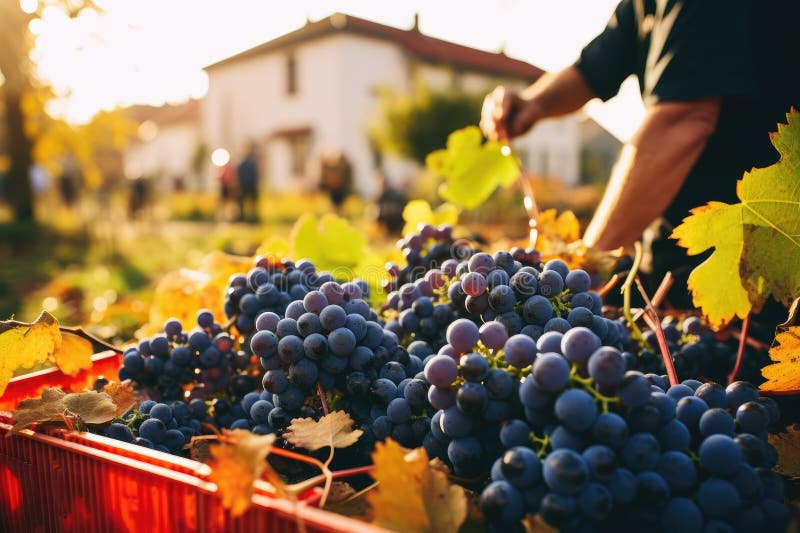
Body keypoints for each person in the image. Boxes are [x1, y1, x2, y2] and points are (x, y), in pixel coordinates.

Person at [481, 0, 800, 319]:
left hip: (760, 266)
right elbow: (593, 69)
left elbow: (683, 121)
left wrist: (587, 262)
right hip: (681, 254)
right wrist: (532, 103)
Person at [236, 143, 260, 222]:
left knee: (253, 203)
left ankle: (254, 217)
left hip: (251, 185)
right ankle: (242, 216)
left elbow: (255, 174)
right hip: (244, 185)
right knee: (242, 202)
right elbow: (239, 175)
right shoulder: (242, 163)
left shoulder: (252, 162)